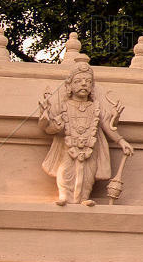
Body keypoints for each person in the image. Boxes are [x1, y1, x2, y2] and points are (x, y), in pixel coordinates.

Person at [38, 64, 132, 206]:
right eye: (78, 81)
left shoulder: (96, 107)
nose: (84, 84)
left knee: (89, 173)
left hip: (90, 147)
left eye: (88, 82)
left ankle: (84, 197)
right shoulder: (65, 106)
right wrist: (45, 118)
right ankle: (64, 196)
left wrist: (121, 141)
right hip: (69, 147)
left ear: (92, 87)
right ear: (69, 86)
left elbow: (108, 125)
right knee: (65, 172)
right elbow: (52, 128)